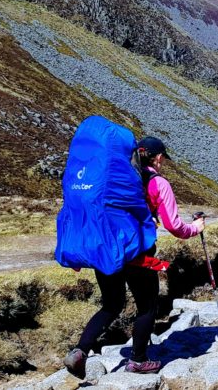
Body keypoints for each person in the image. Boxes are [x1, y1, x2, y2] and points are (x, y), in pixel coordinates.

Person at [63, 136, 206, 376]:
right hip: (138, 253)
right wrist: (196, 228)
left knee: (112, 304)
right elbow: (173, 225)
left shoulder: (112, 178)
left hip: (107, 249)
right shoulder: (158, 183)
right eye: (163, 159)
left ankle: (79, 351)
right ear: (158, 157)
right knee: (147, 306)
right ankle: (138, 360)